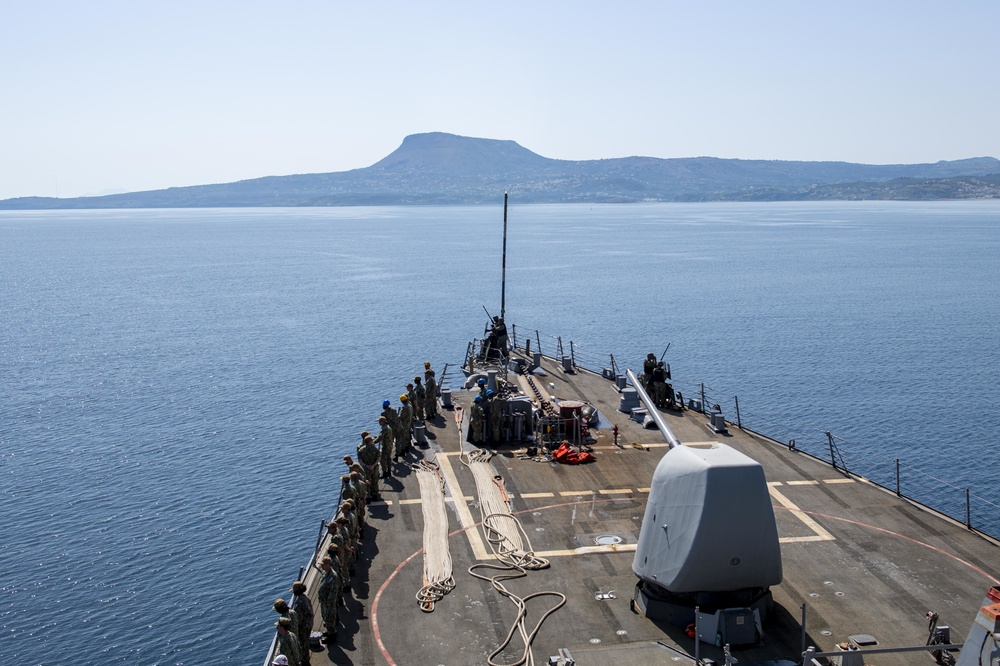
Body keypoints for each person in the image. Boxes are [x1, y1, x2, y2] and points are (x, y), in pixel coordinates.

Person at [315, 555, 341, 642]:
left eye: (323, 564)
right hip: (324, 601)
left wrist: (329, 604)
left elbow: (333, 593)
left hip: (329, 603)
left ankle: (331, 635)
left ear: (328, 564)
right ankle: (329, 631)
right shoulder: (326, 573)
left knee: (330, 618)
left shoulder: (333, 576)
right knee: (326, 617)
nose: (321, 566)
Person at [290, 581, 314, 663]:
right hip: (308, 623)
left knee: (303, 644)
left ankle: (305, 660)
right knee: (305, 642)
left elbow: (298, 619)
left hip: (304, 626)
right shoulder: (305, 597)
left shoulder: (299, 602)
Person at [357, 435, 381, 500]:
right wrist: (373, 465)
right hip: (374, 468)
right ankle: (375, 494)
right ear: (370, 441)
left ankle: (368, 495)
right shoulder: (374, 448)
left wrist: (366, 465)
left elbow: (360, 460)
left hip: (366, 469)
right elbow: (379, 457)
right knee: (375, 481)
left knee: (367, 481)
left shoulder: (361, 450)